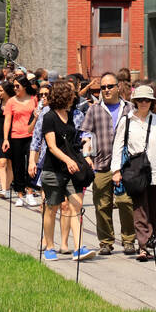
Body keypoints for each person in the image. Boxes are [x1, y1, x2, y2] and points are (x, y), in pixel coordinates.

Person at [111, 85, 156, 262]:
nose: (143, 103)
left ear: (152, 102)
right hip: (135, 171)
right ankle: (143, 245)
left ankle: (151, 234)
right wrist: (116, 170)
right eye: (140, 100)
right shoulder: (127, 120)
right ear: (135, 102)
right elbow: (118, 146)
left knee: (153, 208)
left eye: (147, 100)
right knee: (139, 209)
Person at [39, 79, 95, 264]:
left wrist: (84, 152)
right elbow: (52, 147)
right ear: (63, 96)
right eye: (71, 94)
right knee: (52, 208)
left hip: (72, 170)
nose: (74, 96)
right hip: (53, 170)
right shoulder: (49, 117)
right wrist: (68, 160)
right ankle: (49, 247)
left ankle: (78, 247)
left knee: (76, 205)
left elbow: (73, 141)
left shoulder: (70, 114)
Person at [81, 73, 136, 256]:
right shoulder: (94, 110)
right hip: (101, 164)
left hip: (125, 165)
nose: (105, 90)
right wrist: (87, 155)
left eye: (109, 86)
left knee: (125, 202)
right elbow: (85, 134)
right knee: (102, 205)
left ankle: (129, 240)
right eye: (103, 87)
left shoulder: (130, 108)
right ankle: (106, 242)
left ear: (118, 87)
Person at [3, 75, 39, 207]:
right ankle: (19, 194)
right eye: (14, 86)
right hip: (16, 136)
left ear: (24, 86)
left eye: (17, 86)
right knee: (18, 166)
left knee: (31, 165)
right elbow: (7, 120)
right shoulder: (11, 101)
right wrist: (6, 139)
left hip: (31, 136)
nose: (15, 88)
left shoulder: (33, 99)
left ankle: (30, 192)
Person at [0, 80, 15, 198]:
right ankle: (3, 188)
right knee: (1, 161)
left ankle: (8, 187)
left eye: (1, 91)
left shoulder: (15, 103)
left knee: (10, 162)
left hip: (13, 134)